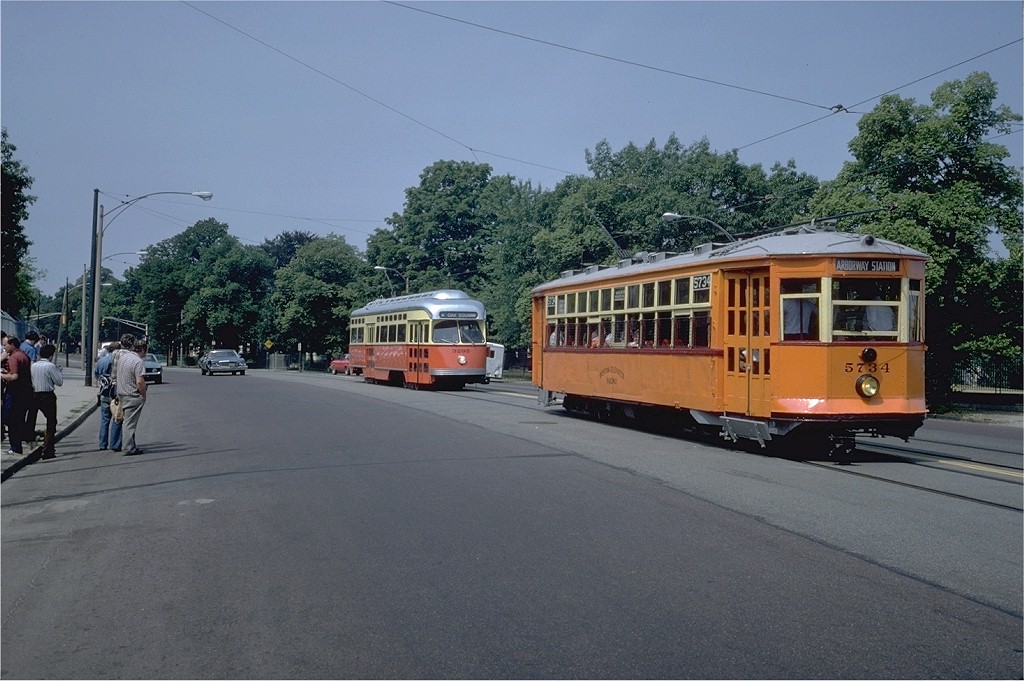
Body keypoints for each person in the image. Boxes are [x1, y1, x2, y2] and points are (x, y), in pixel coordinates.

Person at [112, 335, 147, 456]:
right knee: (129, 424)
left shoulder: (123, 358)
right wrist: (143, 394)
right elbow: (139, 381)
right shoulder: (138, 362)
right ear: (142, 350)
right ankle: (128, 447)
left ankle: (130, 444)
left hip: (122, 393)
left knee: (126, 421)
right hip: (133, 395)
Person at [1, 336, 34, 456]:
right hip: (25, 391)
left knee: (9, 418)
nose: (4, 348)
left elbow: (14, 376)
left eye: (5, 345)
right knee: (19, 418)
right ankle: (21, 443)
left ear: (12, 345)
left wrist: (2, 375)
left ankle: (15, 447)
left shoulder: (14, 358)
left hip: (15, 391)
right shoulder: (23, 355)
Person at [30, 344, 63, 460]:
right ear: (51, 355)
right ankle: (48, 449)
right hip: (47, 395)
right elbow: (59, 382)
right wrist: (59, 371)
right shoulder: (50, 366)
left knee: (32, 417)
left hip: (34, 394)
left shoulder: (33, 366)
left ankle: (31, 441)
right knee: (51, 422)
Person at [94, 341, 123, 451]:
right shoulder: (118, 361)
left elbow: (96, 374)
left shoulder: (102, 360)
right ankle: (115, 444)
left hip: (104, 392)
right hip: (115, 393)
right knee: (117, 417)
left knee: (105, 419)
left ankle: (102, 444)